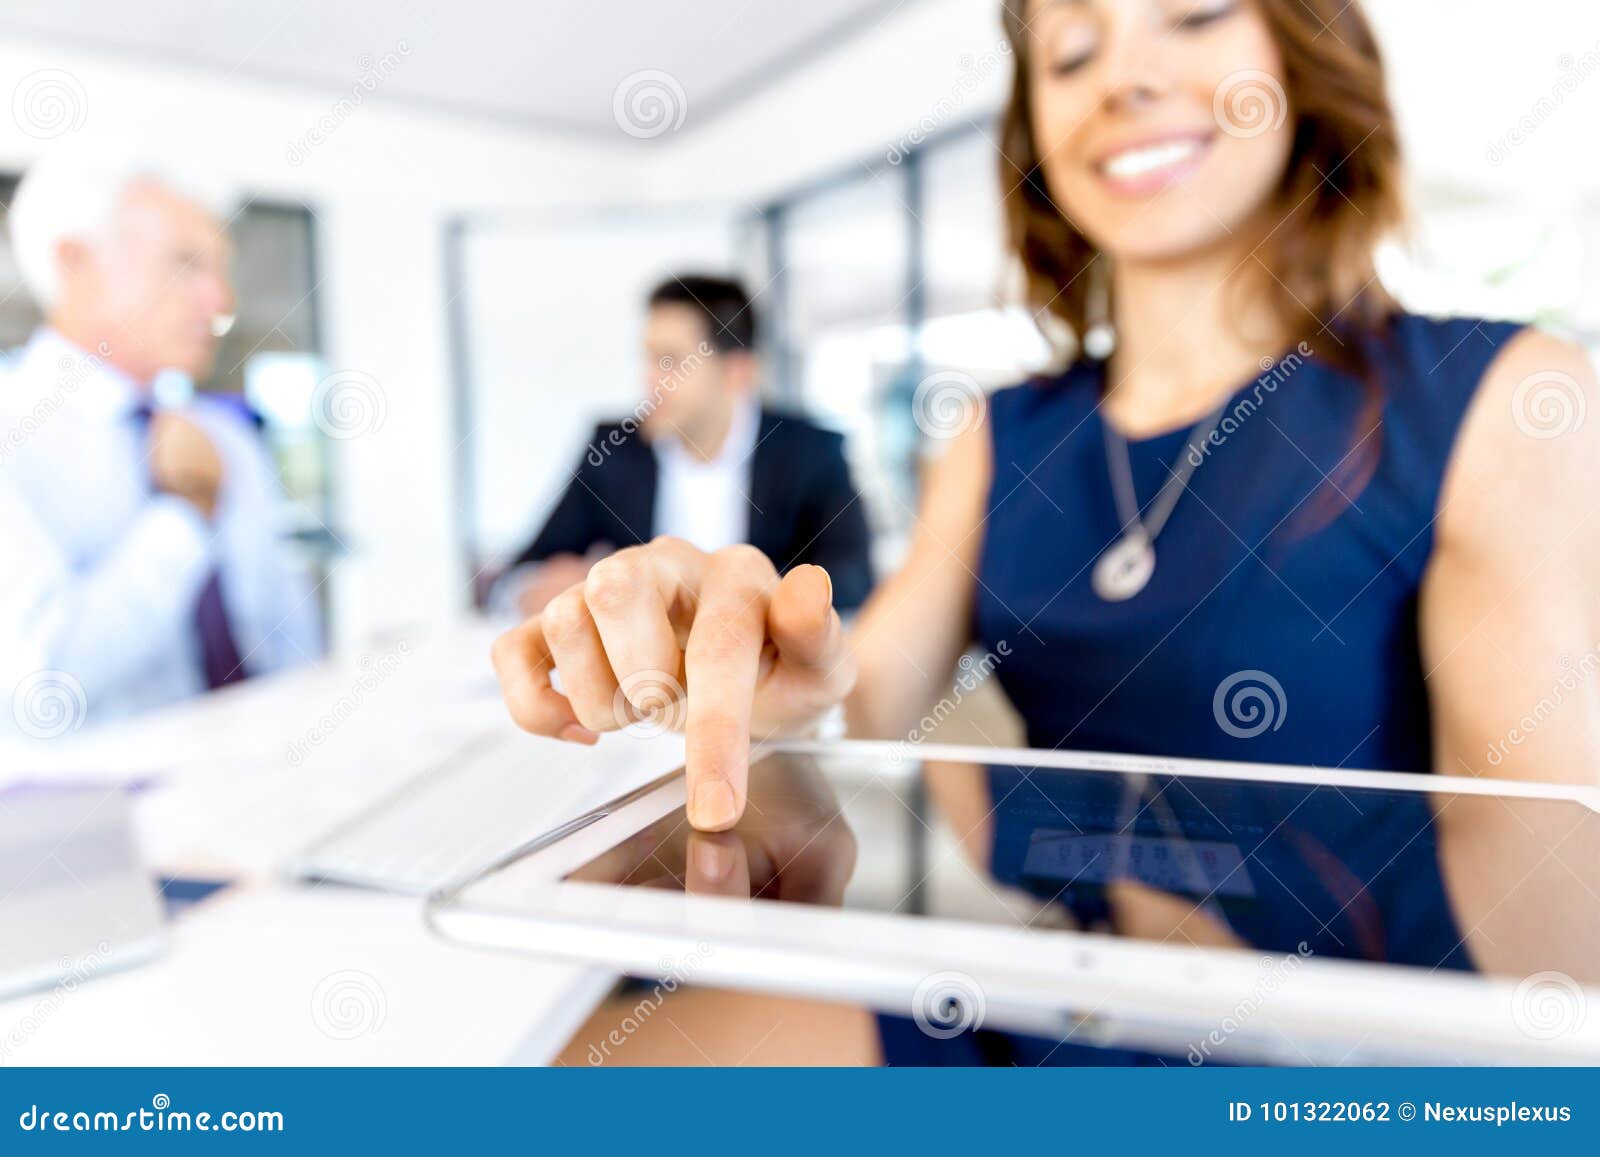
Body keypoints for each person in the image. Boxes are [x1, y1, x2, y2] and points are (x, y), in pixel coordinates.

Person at [494, 0, 1600, 1063]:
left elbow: (1550, 934)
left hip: (1361, 1066)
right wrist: (755, 651)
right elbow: (869, 695)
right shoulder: (1001, 432)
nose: (1123, 76)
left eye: (1198, 12)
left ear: (1306, 56)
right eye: (1069, 52)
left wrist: (1039, 826)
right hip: (1074, 1002)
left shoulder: (1500, 398)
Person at [0, 141, 320, 733]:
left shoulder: (226, 440)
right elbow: (40, 685)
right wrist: (185, 515)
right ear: (75, 262)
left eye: (221, 271)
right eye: (185, 265)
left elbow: (290, 640)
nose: (220, 301)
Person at [493, 275, 874, 617]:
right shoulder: (613, 449)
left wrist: (735, 598)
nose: (649, 380)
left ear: (736, 371)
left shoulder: (810, 452)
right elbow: (521, 575)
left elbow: (853, 580)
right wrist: (534, 589)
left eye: (670, 362)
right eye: (648, 359)